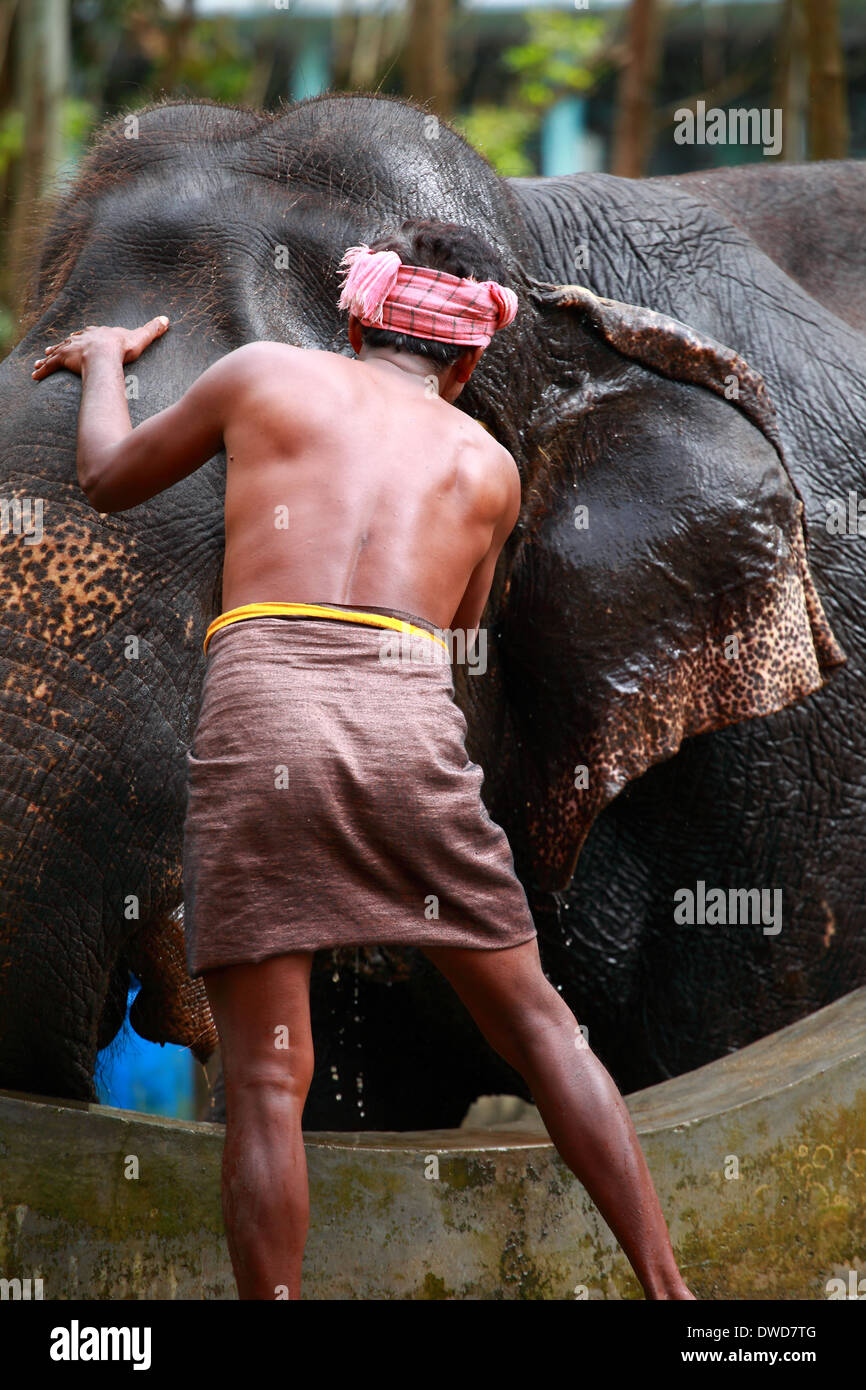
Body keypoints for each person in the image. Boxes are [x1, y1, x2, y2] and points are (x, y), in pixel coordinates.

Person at [32, 218, 695, 1302]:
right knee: (538, 1024)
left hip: (262, 723)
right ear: (468, 358)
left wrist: (106, 360)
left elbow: (106, 476)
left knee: (262, 1082)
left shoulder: (263, 377)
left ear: (352, 319)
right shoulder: (487, 467)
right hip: (408, 731)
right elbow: (462, 622)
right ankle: (671, 1298)